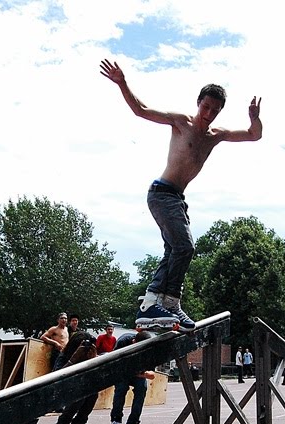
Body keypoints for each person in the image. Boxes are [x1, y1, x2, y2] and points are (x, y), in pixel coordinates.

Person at [100, 58, 262, 331]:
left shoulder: (216, 135)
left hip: (177, 198)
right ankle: (157, 302)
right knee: (185, 247)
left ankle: (164, 304)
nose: (209, 113)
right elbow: (141, 110)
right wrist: (122, 83)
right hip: (161, 193)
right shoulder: (181, 122)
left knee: (174, 249)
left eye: (215, 110)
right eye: (206, 106)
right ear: (198, 103)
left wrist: (254, 119)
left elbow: (253, 136)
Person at [45, 331, 101, 424]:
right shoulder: (64, 356)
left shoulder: (89, 355)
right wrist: (75, 358)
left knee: (92, 393)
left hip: (80, 390)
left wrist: (94, 359)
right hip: (60, 392)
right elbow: (56, 378)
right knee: (79, 396)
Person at [109, 330, 154, 424]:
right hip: (122, 371)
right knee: (121, 389)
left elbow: (152, 375)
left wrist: (143, 374)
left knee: (141, 389)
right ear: (133, 341)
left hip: (138, 373)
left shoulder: (150, 350)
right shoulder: (123, 341)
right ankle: (116, 420)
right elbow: (113, 362)